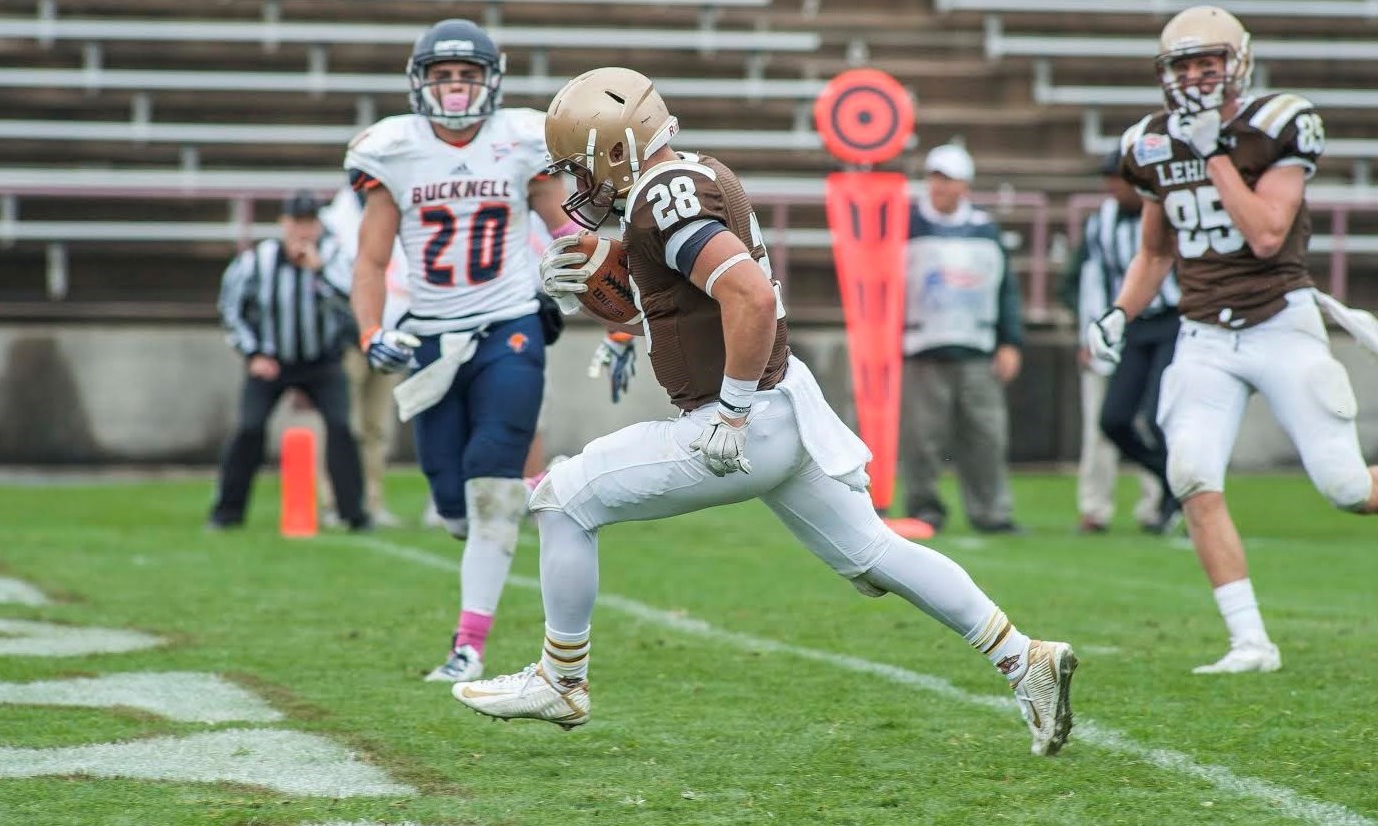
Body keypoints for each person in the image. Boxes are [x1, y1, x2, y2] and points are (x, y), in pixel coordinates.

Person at [450, 67, 1077, 757]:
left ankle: (561, 679)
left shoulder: (665, 196)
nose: (578, 185)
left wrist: (731, 410)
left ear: (616, 148)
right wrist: (609, 305)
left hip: (743, 418)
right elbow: (678, 300)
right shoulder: (678, 181)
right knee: (873, 552)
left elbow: (744, 296)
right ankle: (1025, 659)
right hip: (779, 408)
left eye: (581, 166)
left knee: (562, 502)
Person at [1088, 5, 1378, 674]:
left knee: (1345, 488)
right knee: (1191, 476)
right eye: (1184, 64)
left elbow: (1264, 234)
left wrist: (1212, 155)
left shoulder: (1276, 125)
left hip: (1279, 323)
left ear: (1237, 64)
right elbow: (1153, 252)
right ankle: (1249, 642)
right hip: (1200, 334)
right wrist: (1118, 311)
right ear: (1165, 74)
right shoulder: (1147, 143)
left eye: (1210, 62)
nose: (1198, 75)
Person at [344, 19, 578, 683]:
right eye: (443, 76)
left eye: (467, 75)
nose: (455, 88)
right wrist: (370, 333)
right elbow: (370, 258)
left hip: (508, 326)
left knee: (491, 483)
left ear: (490, 80)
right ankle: (526, 514)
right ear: (421, 83)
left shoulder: (520, 142)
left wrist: (609, 305)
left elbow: (566, 230)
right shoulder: (393, 149)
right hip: (430, 334)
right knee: (452, 504)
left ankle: (467, 646)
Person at [209, 191, 368, 531]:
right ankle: (227, 513)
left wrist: (319, 273)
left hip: (322, 360)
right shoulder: (257, 261)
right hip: (272, 360)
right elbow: (231, 309)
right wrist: (253, 353)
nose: (303, 231)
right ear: (284, 224)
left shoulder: (335, 258)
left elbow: (353, 305)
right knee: (249, 428)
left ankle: (353, 513)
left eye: (309, 223)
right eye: (297, 222)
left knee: (342, 428)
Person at [896, 144, 1024, 536]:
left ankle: (991, 511)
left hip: (976, 346)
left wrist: (1010, 341)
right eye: (934, 177)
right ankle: (923, 508)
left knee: (986, 435)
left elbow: (1006, 289)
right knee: (921, 437)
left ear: (964, 185)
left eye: (947, 179)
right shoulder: (907, 224)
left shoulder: (986, 230)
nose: (939, 186)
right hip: (922, 346)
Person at [1061, 150, 1176, 534]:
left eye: (1120, 179)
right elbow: (1091, 281)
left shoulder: (1167, 213)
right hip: (1128, 326)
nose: (1112, 187)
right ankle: (1170, 482)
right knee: (1112, 420)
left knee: (1160, 419)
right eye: (1108, 179)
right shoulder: (1102, 223)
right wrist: (1092, 331)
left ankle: (1166, 501)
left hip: (1173, 322)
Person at [319, 186, 410, 529]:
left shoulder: (400, 204)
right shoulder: (337, 219)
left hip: (389, 334)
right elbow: (335, 276)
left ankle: (372, 500)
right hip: (351, 337)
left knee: (376, 426)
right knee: (345, 424)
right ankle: (335, 500)